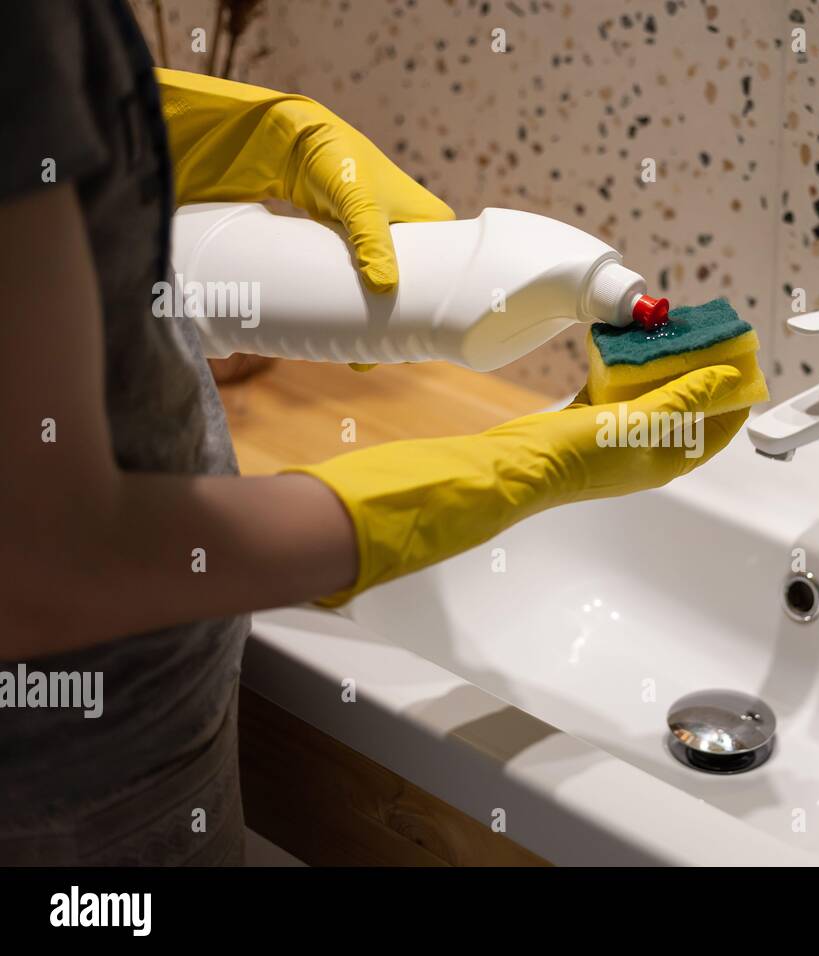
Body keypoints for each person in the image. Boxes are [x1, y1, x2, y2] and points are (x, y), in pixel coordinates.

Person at [0, 0, 750, 864]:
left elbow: (92, 264)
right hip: (69, 784)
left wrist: (259, 136)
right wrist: (509, 471)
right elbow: (48, 570)